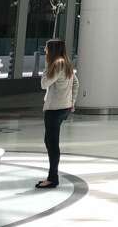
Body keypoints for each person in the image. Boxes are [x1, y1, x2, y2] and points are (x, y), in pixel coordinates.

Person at [37, 38, 78, 189]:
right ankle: (52, 176)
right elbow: (76, 82)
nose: (45, 51)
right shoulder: (66, 63)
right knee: (50, 142)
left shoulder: (57, 64)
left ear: (52, 50)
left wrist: (47, 67)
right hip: (63, 108)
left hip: (55, 109)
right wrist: (72, 101)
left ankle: (52, 178)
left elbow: (43, 84)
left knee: (52, 144)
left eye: (47, 48)